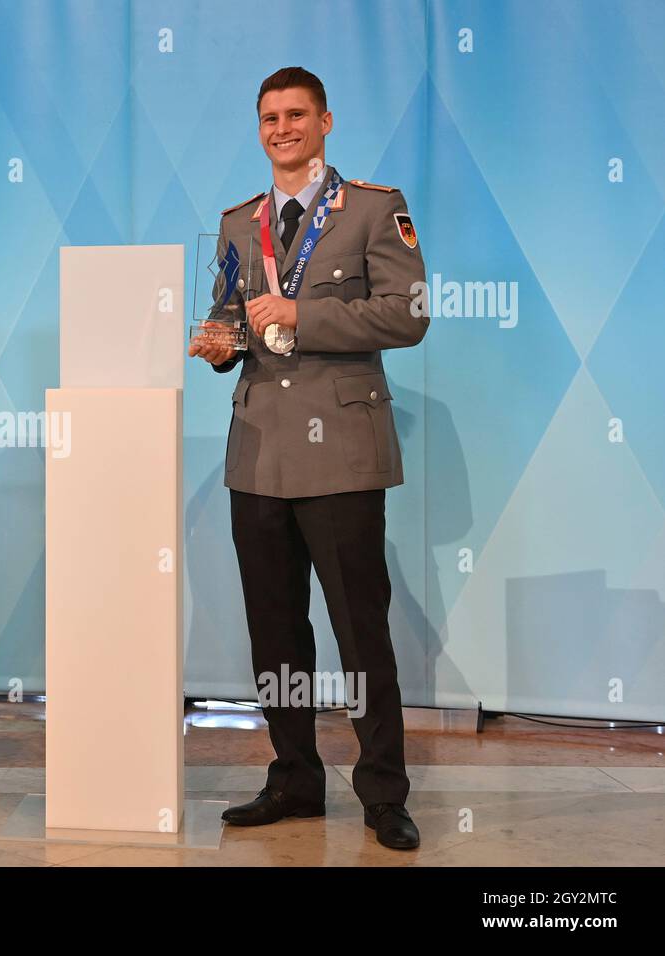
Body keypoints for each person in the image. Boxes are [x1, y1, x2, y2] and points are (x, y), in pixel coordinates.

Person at [190, 66, 428, 849]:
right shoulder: (238, 223)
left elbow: (408, 314)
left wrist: (305, 312)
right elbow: (233, 314)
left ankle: (383, 792)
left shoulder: (371, 209)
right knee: (275, 629)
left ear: (325, 122)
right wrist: (219, 343)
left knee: (361, 631)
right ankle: (293, 775)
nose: (281, 127)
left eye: (296, 114)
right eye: (269, 117)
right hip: (258, 454)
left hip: (344, 454)